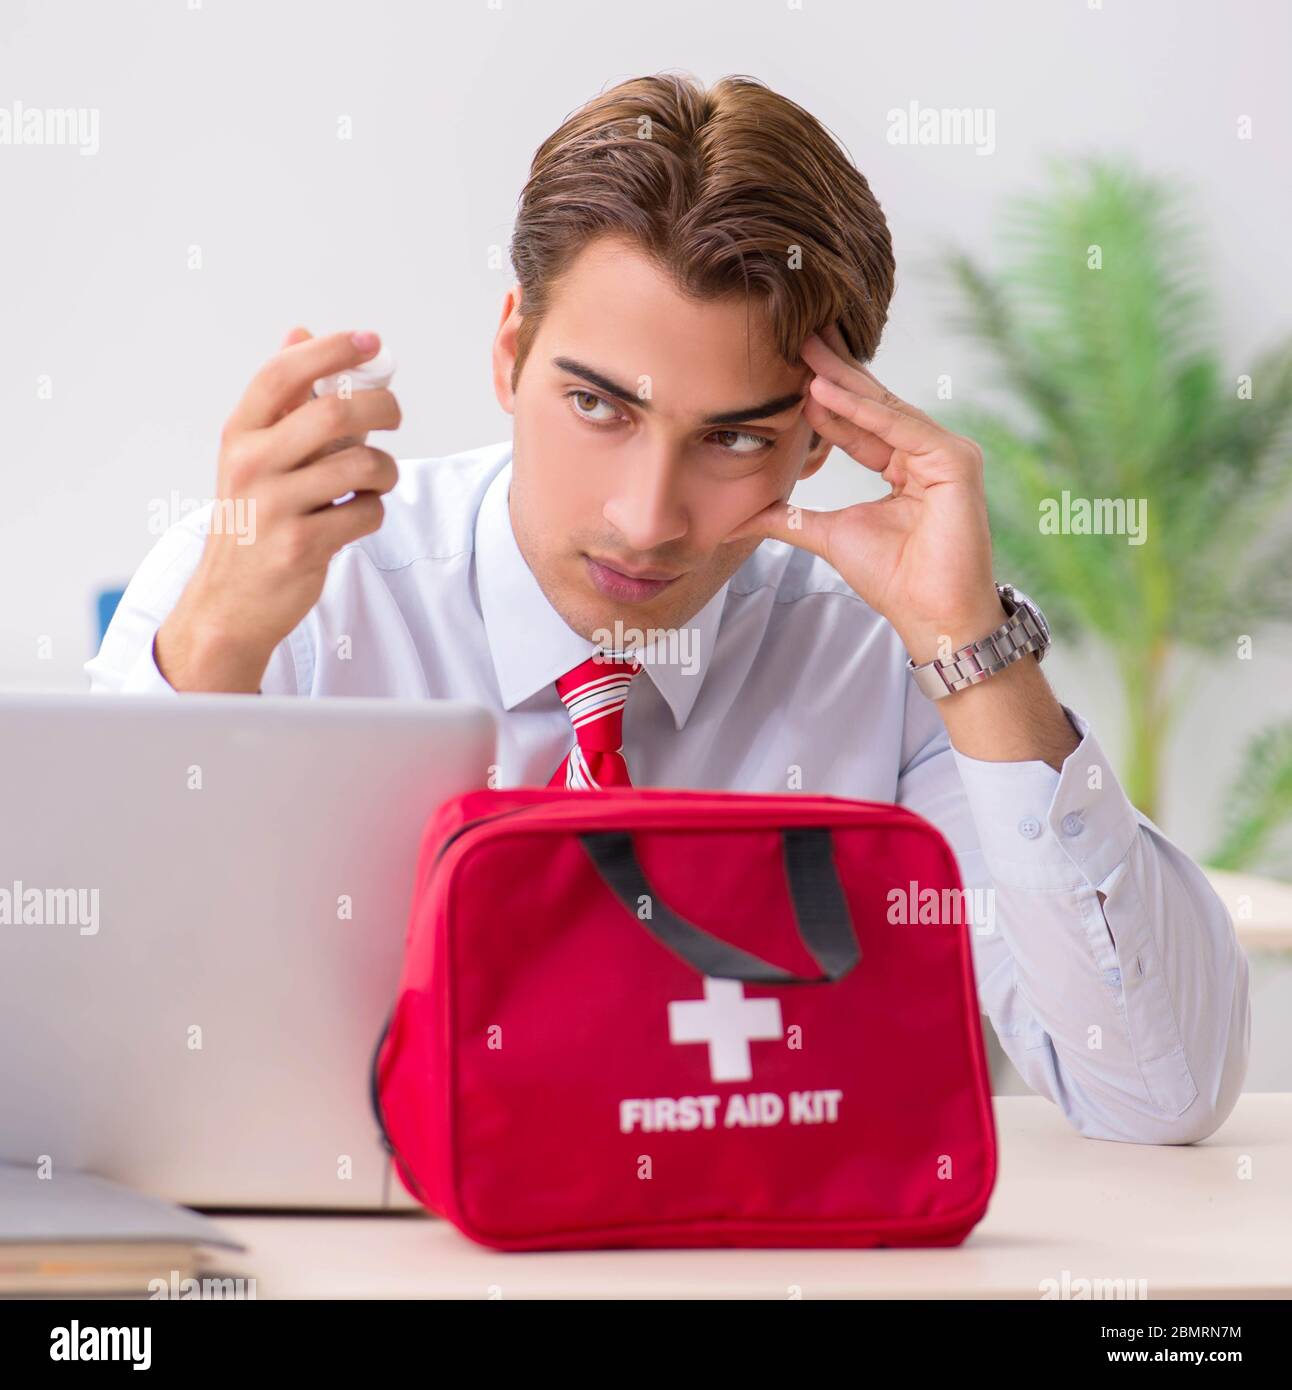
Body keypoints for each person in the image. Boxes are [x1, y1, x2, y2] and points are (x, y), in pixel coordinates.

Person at [87, 72, 1249, 1145]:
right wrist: (217, 648)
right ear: (509, 352)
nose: (646, 520)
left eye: (731, 438)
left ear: (817, 440)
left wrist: (972, 650)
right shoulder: (282, 593)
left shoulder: (888, 656)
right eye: (598, 407)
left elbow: (1154, 1094)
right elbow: (89, 1070)